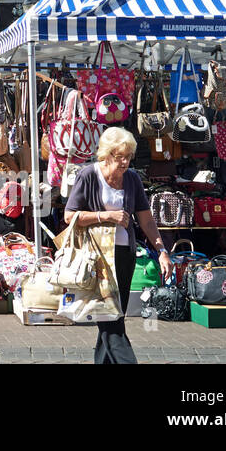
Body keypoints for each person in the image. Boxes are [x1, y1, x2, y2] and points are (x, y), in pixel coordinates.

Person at [64, 126, 173, 364]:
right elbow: (69, 216)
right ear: (107, 153)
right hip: (98, 258)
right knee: (110, 315)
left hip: (124, 255)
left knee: (115, 312)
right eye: (119, 156)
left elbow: (146, 218)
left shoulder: (132, 178)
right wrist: (106, 216)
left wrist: (162, 251)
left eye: (128, 156)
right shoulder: (88, 175)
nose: (124, 161)